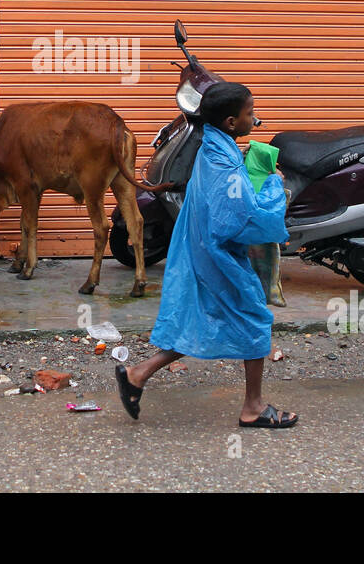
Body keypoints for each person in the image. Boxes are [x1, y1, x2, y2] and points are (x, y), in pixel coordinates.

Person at [115, 81, 297, 428]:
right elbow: (241, 218)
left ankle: (137, 375)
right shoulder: (223, 161)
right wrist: (274, 186)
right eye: (250, 113)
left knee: (200, 318)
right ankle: (253, 408)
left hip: (202, 249)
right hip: (217, 254)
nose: (255, 119)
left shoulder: (215, 146)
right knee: (255, 318)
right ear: (231, 122)